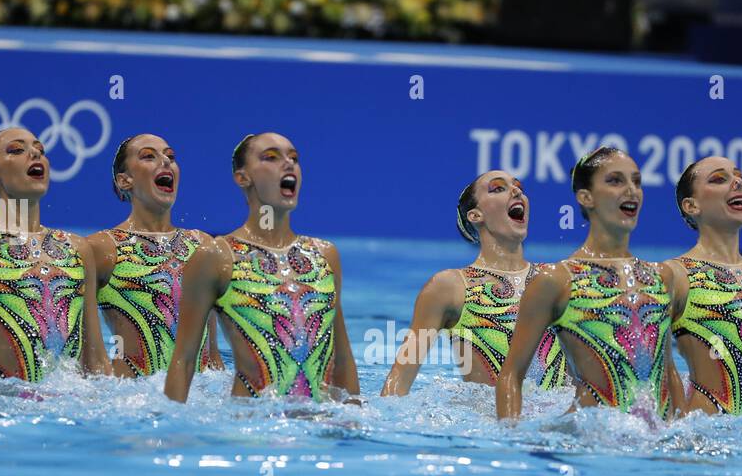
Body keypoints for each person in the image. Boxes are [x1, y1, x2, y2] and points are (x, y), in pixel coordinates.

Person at [165, 132, 359, 402]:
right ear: (242, 177)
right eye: (271, 157)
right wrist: (170, 432)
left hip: (318, 430)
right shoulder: (217, 256)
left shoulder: (324, 254)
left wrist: (354, 424)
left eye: (294, 158)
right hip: (249, 430)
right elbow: (184, 361)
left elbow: (342, 357)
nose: (288, 164)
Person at [497, 147, 682, 421]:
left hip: (650, 446)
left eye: (636, 181)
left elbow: (668, 371)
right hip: (585, 443)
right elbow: (511, 376)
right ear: (586, 197)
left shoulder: (662, 277)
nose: (631, 190)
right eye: (615, 181)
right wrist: (508, 441)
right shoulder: (557, 280)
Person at [380, 170, 568, 396]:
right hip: (490, 423)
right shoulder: (450, 287)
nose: (517, 191)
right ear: (475, 216)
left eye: (518, 186)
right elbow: (398, 382)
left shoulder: (556, 279)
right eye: (498, 188)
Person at [0, 127, 111, 382]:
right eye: (17, 150)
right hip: (5, 403)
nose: (35, 153)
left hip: (69, 403)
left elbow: (96, 356)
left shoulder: (77, 248)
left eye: (40, 150)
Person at [87, 134, 224, 378]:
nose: (165, 162)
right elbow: (81, 347)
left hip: (196, 398)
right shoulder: (103, 248)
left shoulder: (204, 247)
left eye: (170, 156)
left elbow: (213, 359)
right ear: (124, 181)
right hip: (129, 399)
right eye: (149, 156)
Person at [664, 156, 742, 414]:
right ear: (692, 205)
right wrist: (676, 427)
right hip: (708, 436)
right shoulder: (676, 274)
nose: (738, 183)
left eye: (739, 176)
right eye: (719, 179)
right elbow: (661, 367)